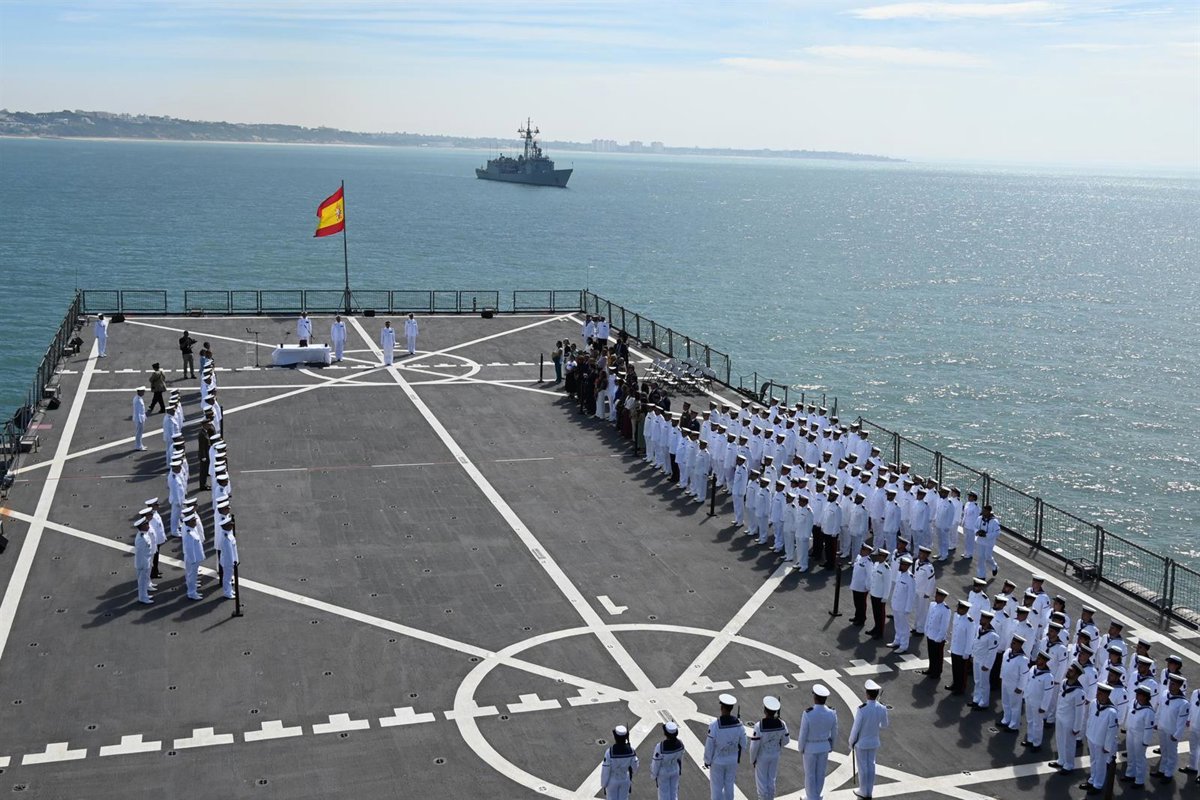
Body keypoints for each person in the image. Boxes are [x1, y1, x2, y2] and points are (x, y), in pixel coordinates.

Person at [849, 679, 889, 800]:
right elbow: (885, 725)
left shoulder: (862, 709)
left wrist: (851, 742)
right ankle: (869, 791)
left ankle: (863, 790)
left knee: (863, 768)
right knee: (871, 766)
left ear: (867, 694)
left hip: (862, 743)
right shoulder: (882, 708)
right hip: (874, 742)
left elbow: (856, 729)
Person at [798, 684, 838, 800]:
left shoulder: (808, 713)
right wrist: (832, 746)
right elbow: (835, 732)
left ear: (814, 697)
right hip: (824, 746)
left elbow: (803, 734)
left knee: (810, 774)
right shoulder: (832, 713)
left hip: (810, 747)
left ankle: (811, 797)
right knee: (820, 774)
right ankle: (816, 795)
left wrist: (801, 748)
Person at [703, 693, 746, 800]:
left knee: (716, 788)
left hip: (718, 761)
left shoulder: (714, 726)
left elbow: (709, 746)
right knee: (729, 786)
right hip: (732, 761)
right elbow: (744, 744)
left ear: (721, 708)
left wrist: (707, 761)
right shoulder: (739, 725)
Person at [1081, 683, 1119, 794]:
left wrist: (1107, 747)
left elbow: (1111, 732)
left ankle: (1098, 785)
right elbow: (1089, 719)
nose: (1098, 694)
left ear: (1107, 696)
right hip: (1092, 737)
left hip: (1101, 742)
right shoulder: (1094, 703)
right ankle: (1092, 779)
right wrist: (1088, 734)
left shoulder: (1112, 712)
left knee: (1101, 764)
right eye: (1098, 692)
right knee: (1093, 761)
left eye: (1101, 693)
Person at [749, 695, 789, 800]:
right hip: (775, 755)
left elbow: (754, 746)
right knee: (771, 780)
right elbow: (786, 740)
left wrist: (753, 759)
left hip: (762, 756)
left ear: (765, 710)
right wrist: (777, 745)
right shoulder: (782, 723)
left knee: (762, 783)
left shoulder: (759, 726)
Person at [1049, 663, 1086, 774]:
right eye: (1068, 669)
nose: (1068, 672)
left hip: (1070, 721)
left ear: (1076, 675)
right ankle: (1061, 760)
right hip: (1060, 717)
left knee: (1069, 744)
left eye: (1071, 671)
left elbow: (1080, 713)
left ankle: (1069, 765)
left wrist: (1077, 728)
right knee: (1059, 740)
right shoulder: (1064, 683)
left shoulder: (1079, 692)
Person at [1154, 673, 1189, 783]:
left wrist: (1177, 735)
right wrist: (1156, 722)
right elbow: (1160, 709)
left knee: (1171, 754)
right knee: (1164, 751)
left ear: (1179, 686)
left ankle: (1168, 774)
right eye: (1170, 683)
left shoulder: (1183, 703)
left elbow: (1181, 722)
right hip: (1162, 727)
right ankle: (1162, 770)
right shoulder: (1165, 693)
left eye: (1173, 684)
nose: (1171, 686)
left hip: (1172, 731)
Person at [1123, 685, 1156, 788]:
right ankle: (1130, 774)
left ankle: (1139, 780)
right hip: (1131, 732)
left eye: (1139, 694)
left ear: (1145, 697)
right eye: (1137, 694)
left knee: (1139, 758)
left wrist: (1145, 741)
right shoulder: (1134, 702)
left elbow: (1148, 728)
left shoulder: (1149, 711)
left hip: (1140, 736)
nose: (1137, 696)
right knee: (1131, 755)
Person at [1023, 650, 1055, 751]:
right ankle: (1030, 739)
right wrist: (1025, 696)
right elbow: (1027, 682)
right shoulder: (1033, 668)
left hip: (1038, 703)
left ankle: (1036, 744)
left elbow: (1048, 694)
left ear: (1045, 661)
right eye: (1038, 658)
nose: (1038, 660)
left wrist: (1044, 707)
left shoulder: (1048, 677)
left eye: (1040, 659)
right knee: (1030, 720)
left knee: (1037, 723)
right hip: (1029, 699)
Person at [970, 610, 1000, 710]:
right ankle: (976, 699)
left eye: (983, 618)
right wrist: (973, 655)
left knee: (984, 683)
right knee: (977, 681)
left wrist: (987, 665)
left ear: (989, 620)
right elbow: (976, 643)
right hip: (977, 659)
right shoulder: (980, 629)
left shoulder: (993, 636)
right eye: (981, 617)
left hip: (984, 662)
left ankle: (983, 703)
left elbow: (992, 652)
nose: (981, 619)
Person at [921, 587, 951, 681]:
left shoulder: (945, 610)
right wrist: (926, 629)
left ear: (943, 598)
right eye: (936, 595)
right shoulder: (932, 605)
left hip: (938, 637)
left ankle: (937, 672)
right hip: (930, 634)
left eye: (939, 596)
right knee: (931, 654)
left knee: (938, 656)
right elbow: (928, 617)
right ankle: (931, 668)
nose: (936, 597)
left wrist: (939, 637)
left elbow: (944, 626)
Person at [650, 721, 684, 800]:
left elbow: (656, 763)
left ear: (666, 733)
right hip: (675, 769)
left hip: (664, 772)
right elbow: (680, 759)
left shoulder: (660, 747)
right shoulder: (680, 744)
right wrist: (679, 771)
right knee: (674, 794)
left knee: (663, 795)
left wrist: (653, 775)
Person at [948, 599, 974, 694]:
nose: (958, 609)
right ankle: (955, 685)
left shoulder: (970, 622)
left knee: (962, 672)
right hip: (955, 648)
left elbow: (970, 639)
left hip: (962, 651)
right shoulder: (957, 616)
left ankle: (960, 688)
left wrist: (967, 653)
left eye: (960, 608)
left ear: (965, 610)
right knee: (955, 669)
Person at [181, 511, 206, 600]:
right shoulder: (189, 534)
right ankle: (192, 593)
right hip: (193, 559)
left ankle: (193, 590)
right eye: (194, 521)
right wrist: (193, 560)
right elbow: (189, 549)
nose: (196, 522)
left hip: (195, 558)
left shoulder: (192, 530)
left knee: (193, 576)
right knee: (192, 576)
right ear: (189, 522)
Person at [133, 516, 155, 604]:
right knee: (142, 582)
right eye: (146, 524)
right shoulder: (141, 539)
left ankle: (145, 595)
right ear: (142, 527)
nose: (148, 525)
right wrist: (144, 565)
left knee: (145, 580)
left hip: (146, 562)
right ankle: (142, 598)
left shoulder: (144, 535)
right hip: (143, 564)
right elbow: (140, 554)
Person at [974, 505, 1000, 579]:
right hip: (980, 541)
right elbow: (975, 527)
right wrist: (977, 532)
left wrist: (987, 535)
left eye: (985, 511)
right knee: (981, 558)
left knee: (987, 556)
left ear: (989, 512)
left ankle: (994, 567)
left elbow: (997, 533)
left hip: (989, 543)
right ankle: (981, 575)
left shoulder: (994, 521)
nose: (983, 512)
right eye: (983, 510)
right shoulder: (979, 518)